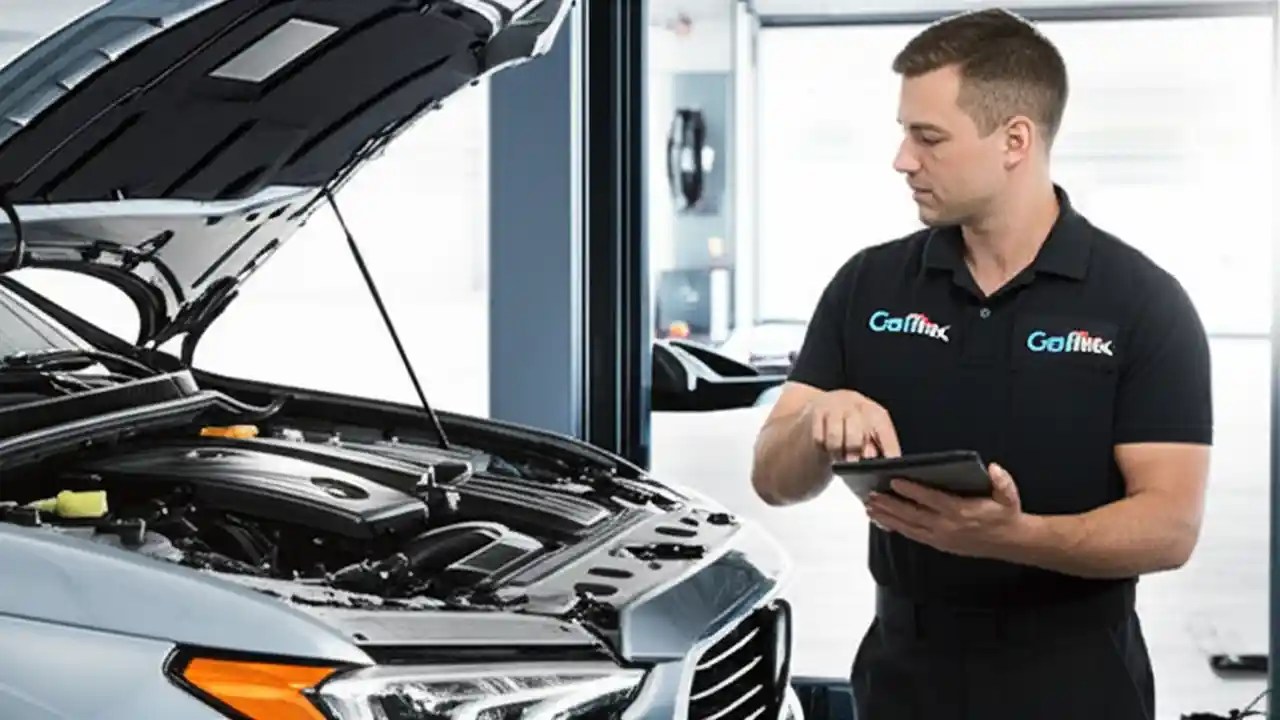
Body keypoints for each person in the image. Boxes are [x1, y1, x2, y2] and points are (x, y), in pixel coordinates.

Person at [750, 8, 1212, 720]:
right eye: (904, 132)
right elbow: (772, 482)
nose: (903, 158)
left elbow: (1171, 526)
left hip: (1078, 680)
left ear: (1015, 141)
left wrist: (1015, 538)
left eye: (928, 137)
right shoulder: (867, 285)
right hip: (903, 676)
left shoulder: (1142, 302)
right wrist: (816, 417)